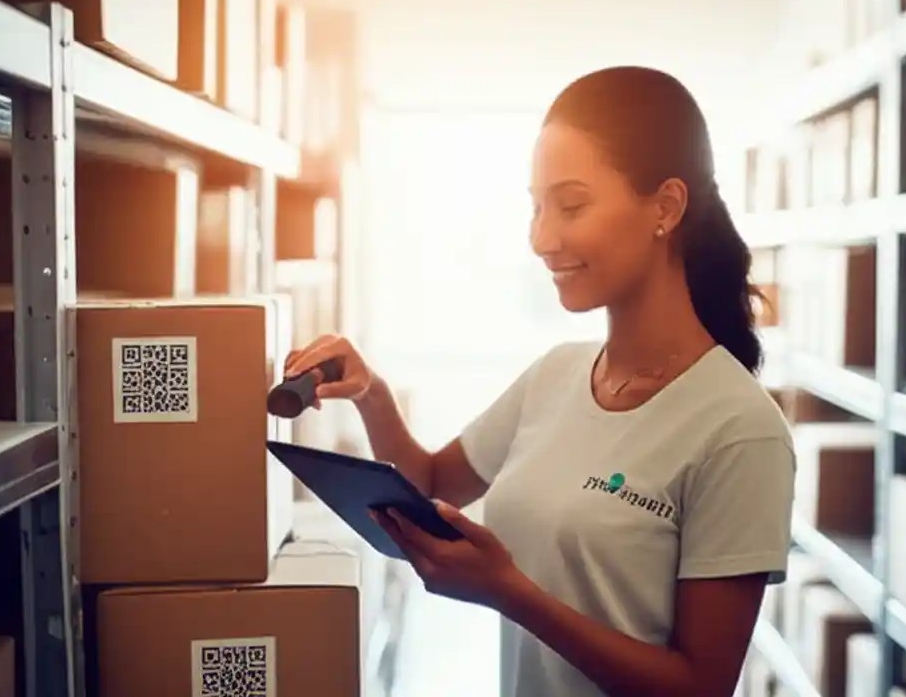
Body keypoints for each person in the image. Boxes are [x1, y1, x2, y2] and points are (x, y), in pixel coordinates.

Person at [284, 65, 795, 697]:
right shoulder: (555, 375)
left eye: (571, 205)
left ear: (665, 207)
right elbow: (434, 484)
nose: (541, 238)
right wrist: (370, 393)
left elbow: (699, 687)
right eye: (536, 206)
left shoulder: (740, 430)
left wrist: (509, 593)